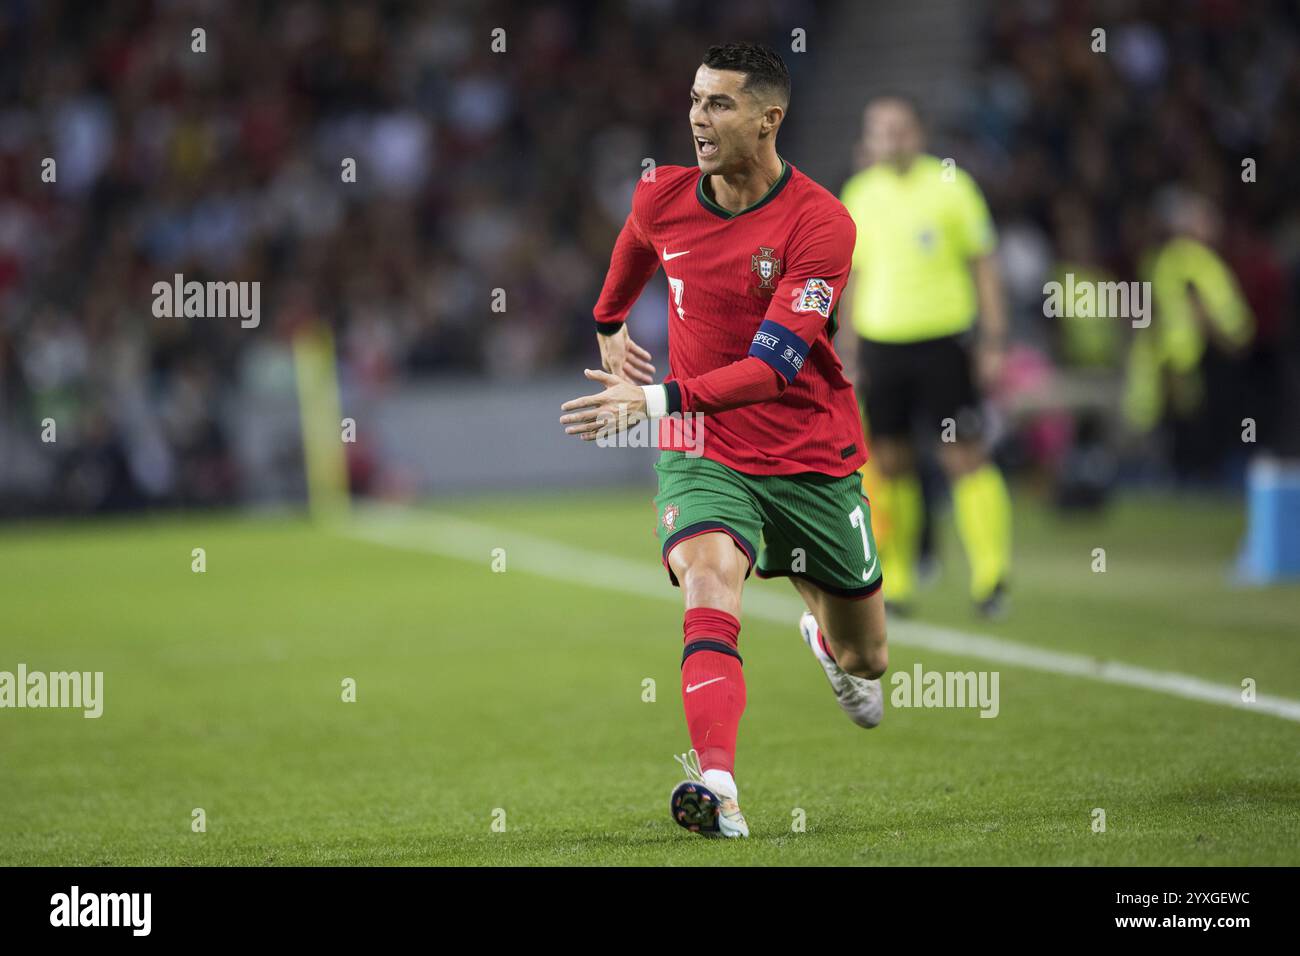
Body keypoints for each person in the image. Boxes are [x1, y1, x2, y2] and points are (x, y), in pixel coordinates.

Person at [559, 42, 887, 838]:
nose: (698, 119)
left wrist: (652, 396)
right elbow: (635, 246)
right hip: (701, 444)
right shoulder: (661, 195)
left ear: (769, 119)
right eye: (695, 101)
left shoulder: (821, 224)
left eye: (719, 104)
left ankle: (825, 641)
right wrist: (608, 321)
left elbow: (773, 368)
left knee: (867, 660)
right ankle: (719, 787)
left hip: (808, 451)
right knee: (707, 582)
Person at [840, 96, 1013, 617]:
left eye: (899, 128)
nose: (890, 138)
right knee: (890, 463)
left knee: (963, 455)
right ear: (868, 139)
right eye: (880, 129)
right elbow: (852, 277)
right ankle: (898, 580)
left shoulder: (951, 186)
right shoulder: (859, 193)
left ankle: (990, 575)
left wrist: (993, 339)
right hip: (882, 345)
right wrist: (847, 349)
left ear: (918, 132)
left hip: (944, 342)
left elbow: (983, 265)